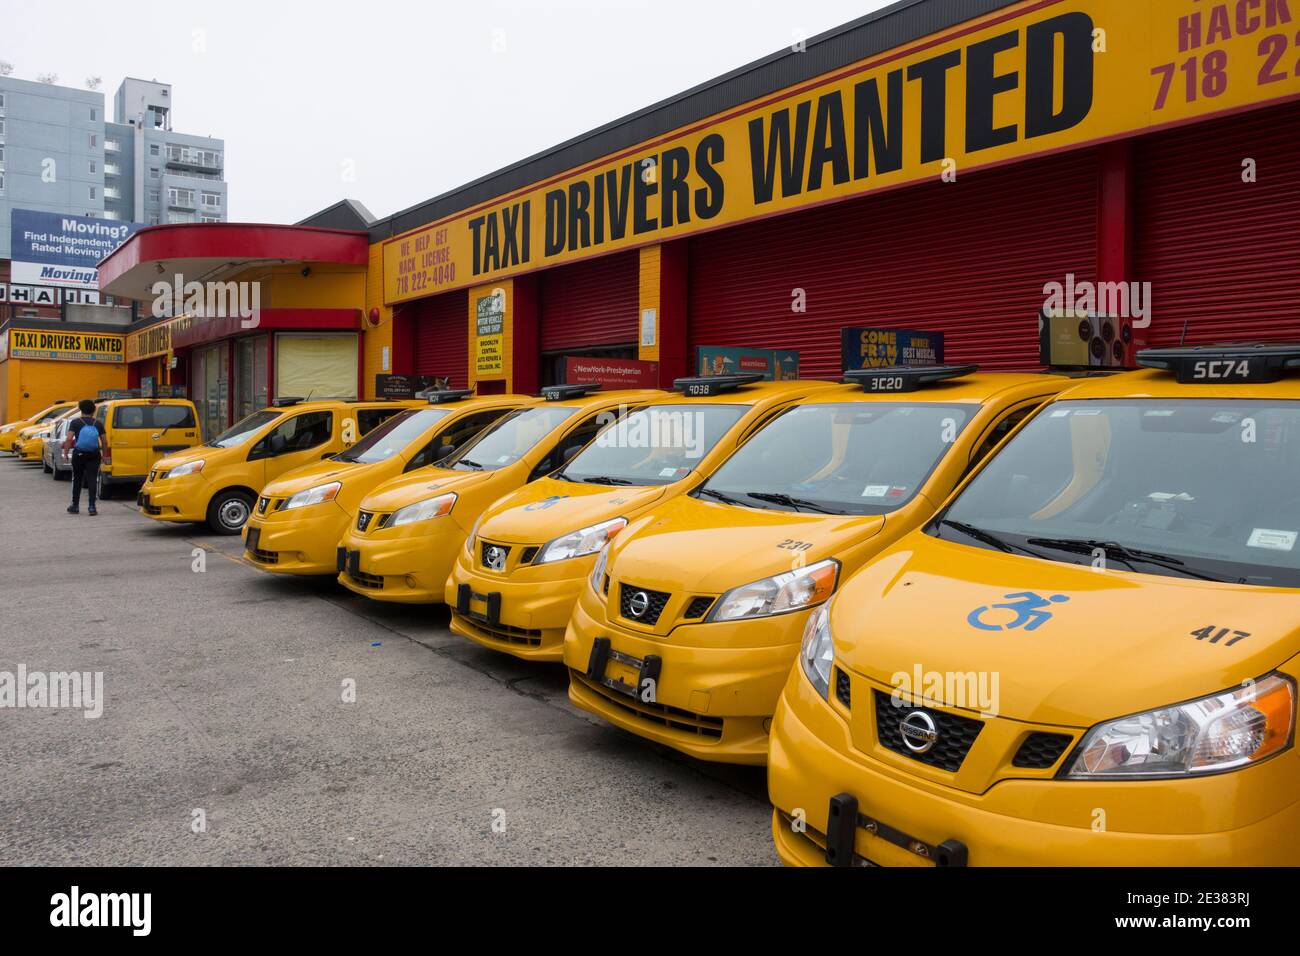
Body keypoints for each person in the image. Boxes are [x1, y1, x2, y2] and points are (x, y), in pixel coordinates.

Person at [64, 400, 106, 516]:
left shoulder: (75, 422)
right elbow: (104, 441)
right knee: (92, 479)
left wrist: (66, 453)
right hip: (94, 454)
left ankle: (75, 506)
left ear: (81, 410)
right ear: (93, 410)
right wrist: (105, 455)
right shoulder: (98, 423)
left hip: (79, 454)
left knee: (77, 479)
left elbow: (69, 439)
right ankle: (92, 507)